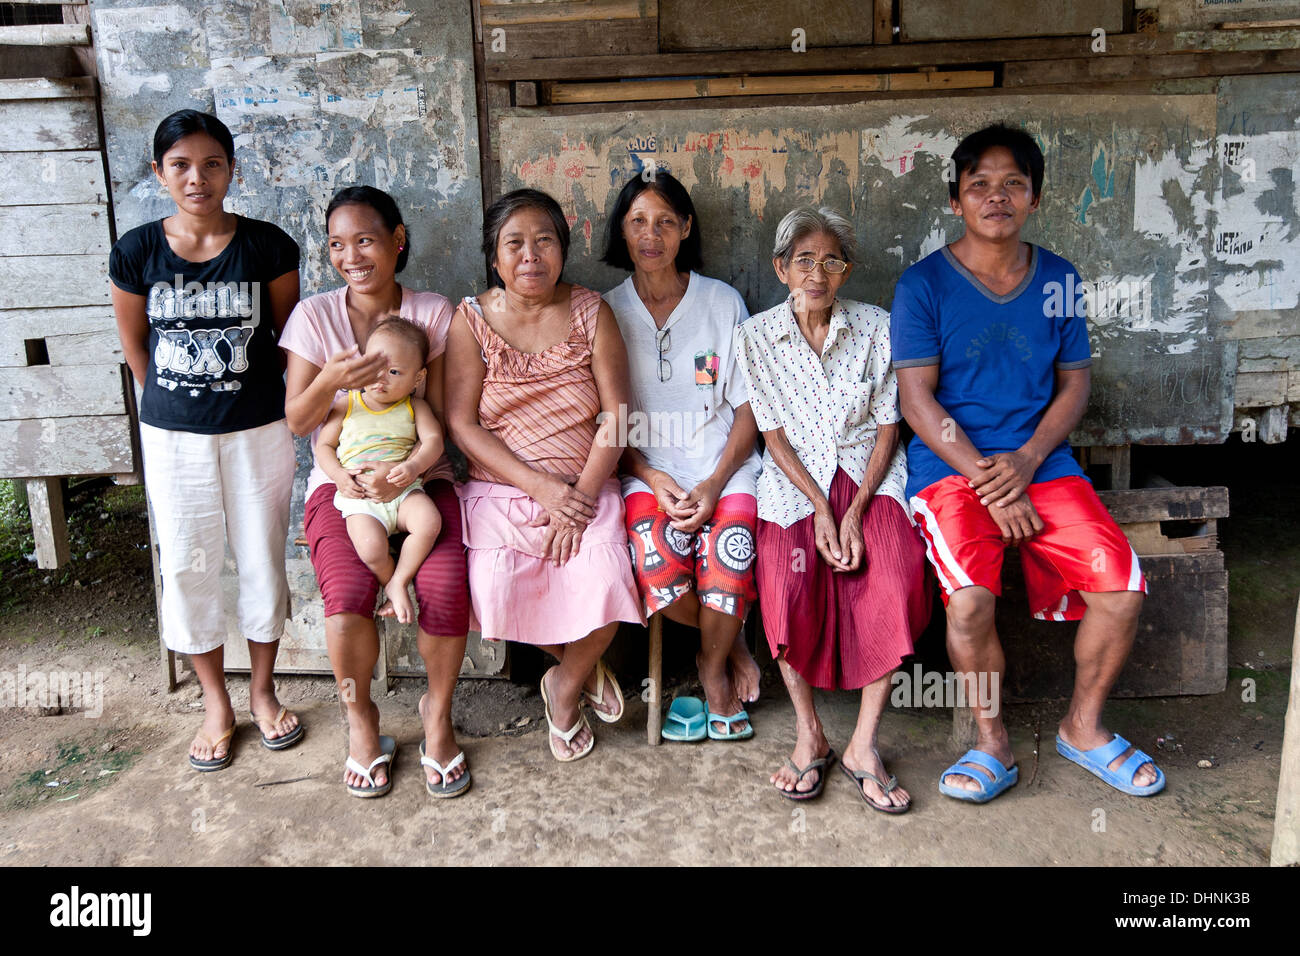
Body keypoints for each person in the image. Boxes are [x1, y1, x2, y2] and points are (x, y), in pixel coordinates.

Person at [891, 123, 1161, 803]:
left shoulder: (1060, 279)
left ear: (1035, 197)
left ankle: (1083, 728)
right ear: (955, 200)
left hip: (1041, 464)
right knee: (971, 604)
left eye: (1013, 182)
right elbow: (917, 402)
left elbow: (1075, 383)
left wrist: (1029, 457)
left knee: (1122, 590)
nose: (997, 196)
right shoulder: (922, 285)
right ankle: (992, 743)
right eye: (979, 183)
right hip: (952, 469)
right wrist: (991, 478)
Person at [109, 109, 303, 771]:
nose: (198, 178)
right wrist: (175, 403)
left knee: (261, 558)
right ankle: (215, 701)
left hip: (259, 430)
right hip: (173, 439)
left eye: (212, 164)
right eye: (182, 165)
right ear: (160, 173)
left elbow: (286, 342)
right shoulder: (136, 251)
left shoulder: (269, 246)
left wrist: (240, 396)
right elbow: (137, 347)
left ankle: (263, 692)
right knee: (189, 565)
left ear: (231, 169)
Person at [737, 207, 930, 812]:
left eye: (831, 261)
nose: (817, 273)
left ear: (846, 271)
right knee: (785, 586)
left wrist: (855, 509)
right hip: (795, 484)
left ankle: (864, 744)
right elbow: (771, 434)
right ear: (780, 269)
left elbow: (887, 427)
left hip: (869, 476)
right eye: (803, 261)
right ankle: (810, 734)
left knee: (896, 574)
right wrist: (821, 507)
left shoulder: (878, 326)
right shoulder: (756, 336)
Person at [281, 186, 471, 799]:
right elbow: (300, 421)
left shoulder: (434, 313)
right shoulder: (314, 317)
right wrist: (334, 379)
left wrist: (409, 465)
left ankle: (436, 717)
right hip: (345, 487)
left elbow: (438, 412)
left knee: (443, 584)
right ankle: (360, 719)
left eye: (365, 239)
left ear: (397, 240)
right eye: (337, 244)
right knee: (346, 590)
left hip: (420, 477)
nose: (351, 255)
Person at [446, 188, 643, 763]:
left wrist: (578, 494)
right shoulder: (472, 320)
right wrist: (541, 489)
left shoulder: (591, 311)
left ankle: (565, 683)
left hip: (587, 483)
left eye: (544, 241)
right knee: (497, 590)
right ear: (494, 255)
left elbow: (617, 415)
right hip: (502, 486)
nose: (531, 255)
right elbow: (461, 423)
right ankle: (574, 665)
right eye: (515, 244)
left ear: (562, 248)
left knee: (606, 579)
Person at [601, 170, 762, 740]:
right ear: (621, 231)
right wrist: (650, 473)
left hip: (726, 467)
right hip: (647, 474)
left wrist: (716, 481)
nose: (653, 235)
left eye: (666, 221)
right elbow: (605, 422)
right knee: (660, 573)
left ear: (686, 227)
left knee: (733, 555)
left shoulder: (722, 302)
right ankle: (731, 635)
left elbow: (748, 410)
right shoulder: (605, 312)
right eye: (639, 221)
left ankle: (712, 669)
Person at [313, 316, 444, 626]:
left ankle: (400, 580)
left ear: (418, 377)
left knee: (429, 522)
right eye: (374, 368)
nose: (380, 379)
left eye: (395, 372)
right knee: (371, 548)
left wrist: (412, 467)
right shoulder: (347, 403)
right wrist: (340, 476)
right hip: (359, 496)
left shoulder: (415, 407)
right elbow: (324, 447)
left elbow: (434, 442)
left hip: (404, 490)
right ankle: (390, 582)